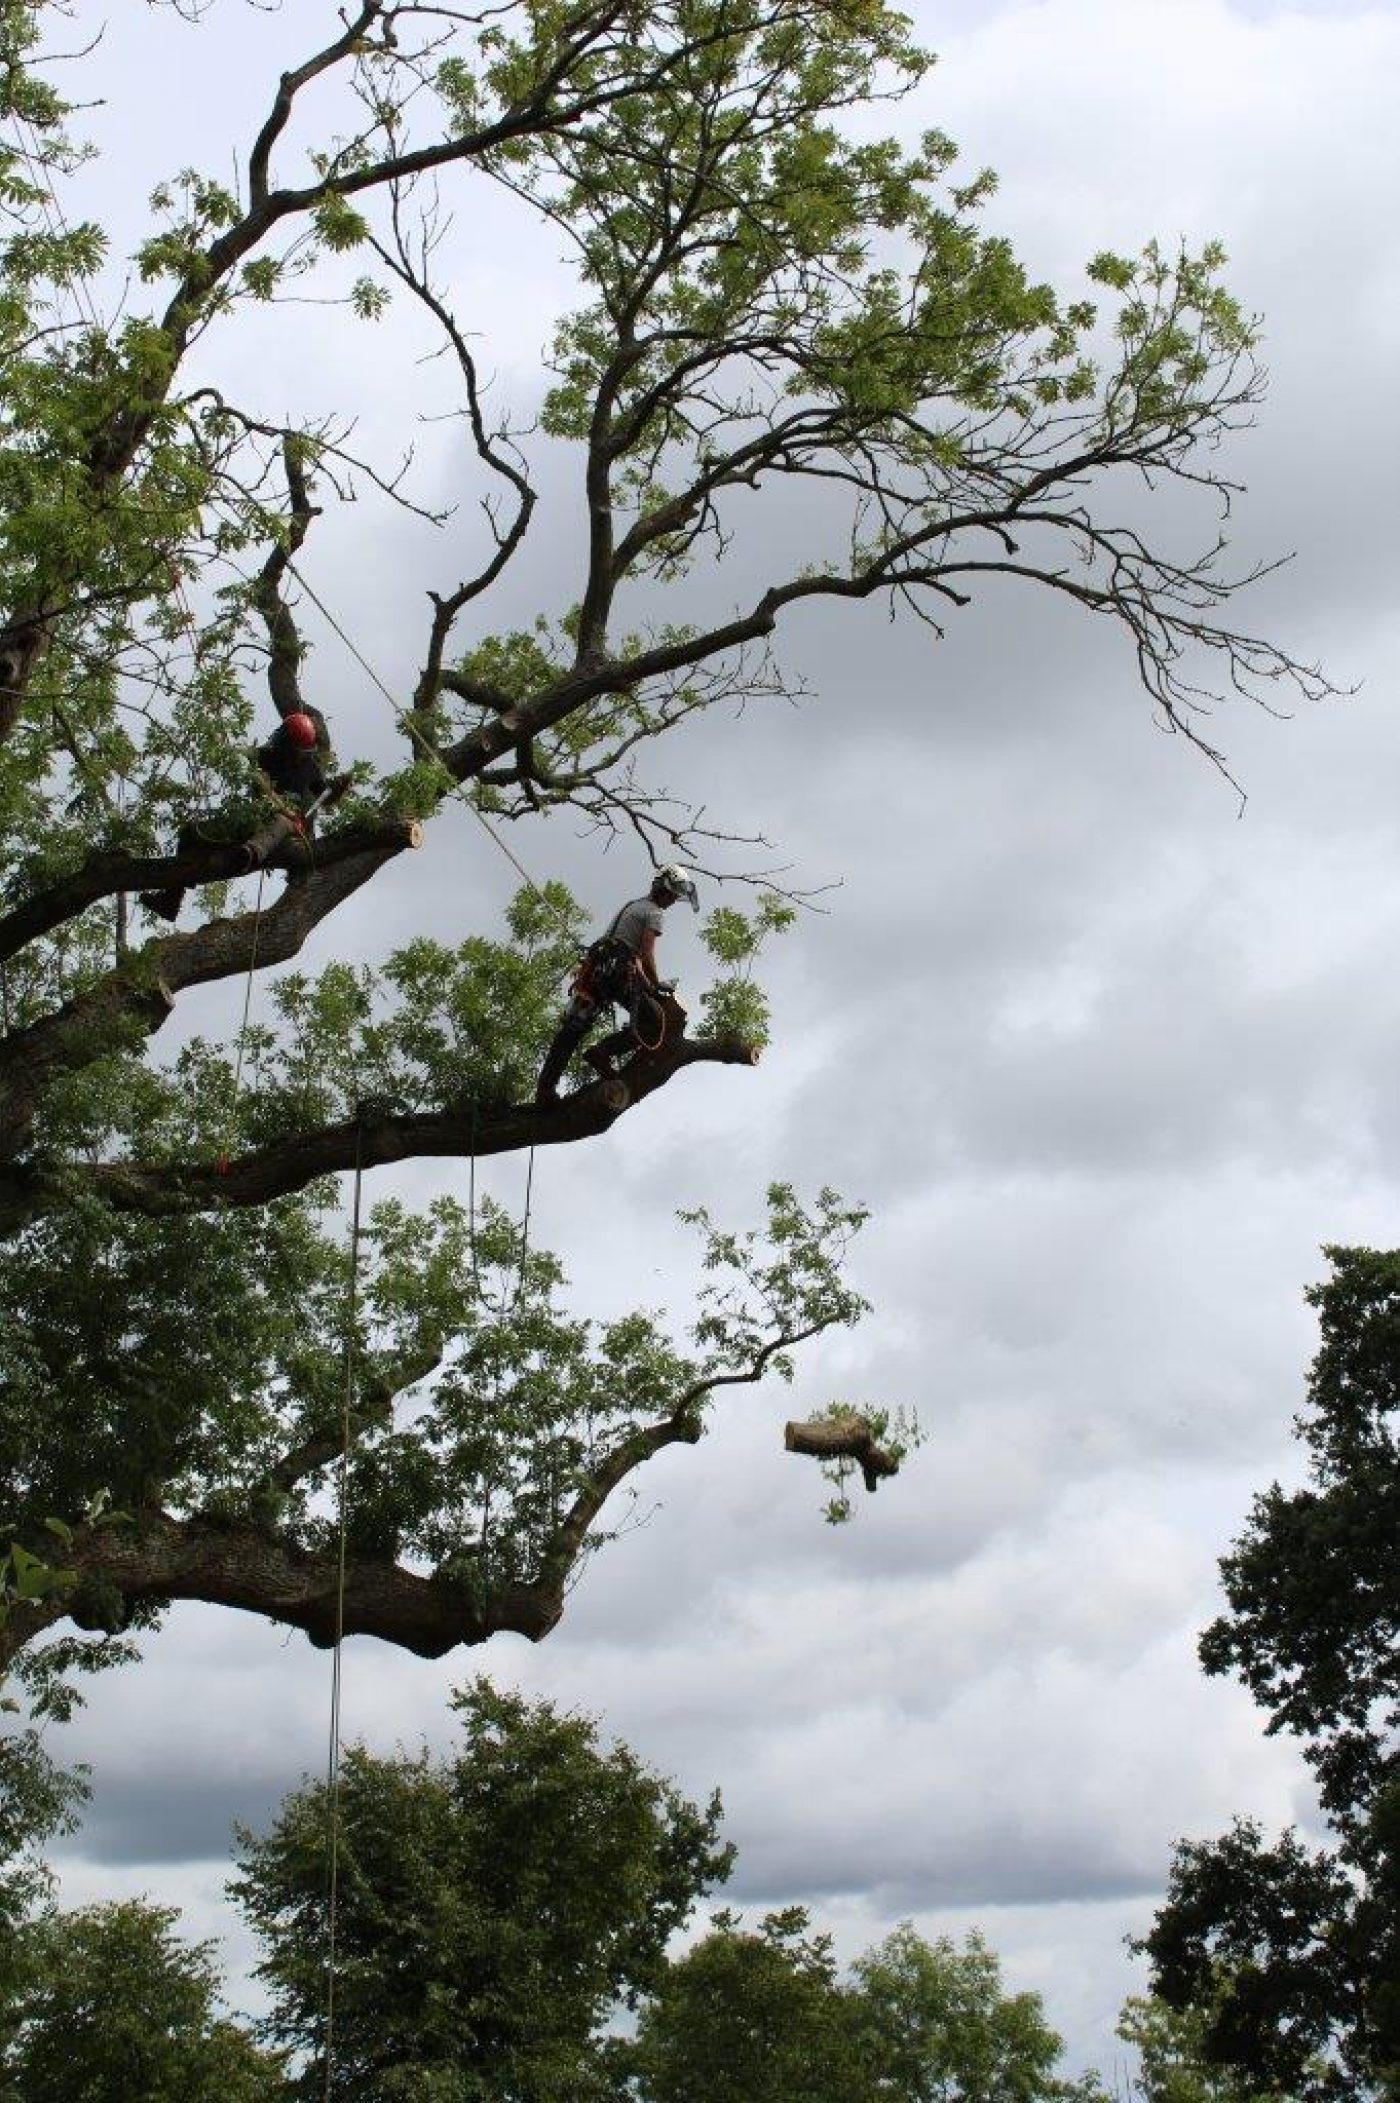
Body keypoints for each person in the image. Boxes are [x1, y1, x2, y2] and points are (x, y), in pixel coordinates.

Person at [139, 709, 347, 923]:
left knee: (283, 821)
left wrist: (337, 791)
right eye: (297, 751)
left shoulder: (310, 768)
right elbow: (249, 770)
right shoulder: (265, 757)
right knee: (190, 834)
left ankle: (251, 853)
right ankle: (170, 900)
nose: (300, 755)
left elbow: (325, 796)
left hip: (288, 827)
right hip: (253, 820)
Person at [535, 864, 700, 1106]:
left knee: (572, 1031)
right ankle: (603, 1052)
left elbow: (624, 947)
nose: (674, 900)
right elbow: (645, 953)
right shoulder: (654, 913)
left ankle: (545, 1091)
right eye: (673, 894)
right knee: (655, 1021)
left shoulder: (633, 906)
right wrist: (654, 985)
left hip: (599, 970)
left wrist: (645, 980)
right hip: (617, 972)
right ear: (662, 889)